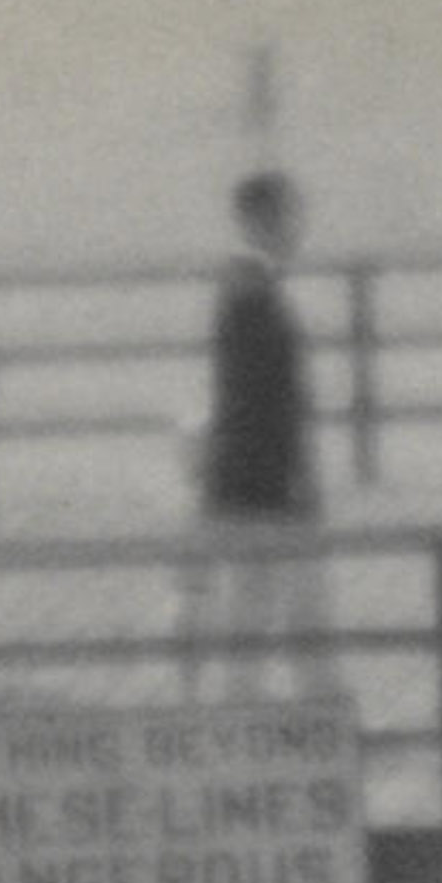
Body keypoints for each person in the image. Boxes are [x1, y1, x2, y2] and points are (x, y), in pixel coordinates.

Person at [177, 170, 336, 698]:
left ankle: (278, 717)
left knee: (258, 612)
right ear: (263, 218)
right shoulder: (252, 291)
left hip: (249, 480)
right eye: (290, 213)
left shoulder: (247, 285)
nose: (299, 226)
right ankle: (309, 721)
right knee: (289, 612)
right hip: (264, 485)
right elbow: (259, 402)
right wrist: (293, 480)